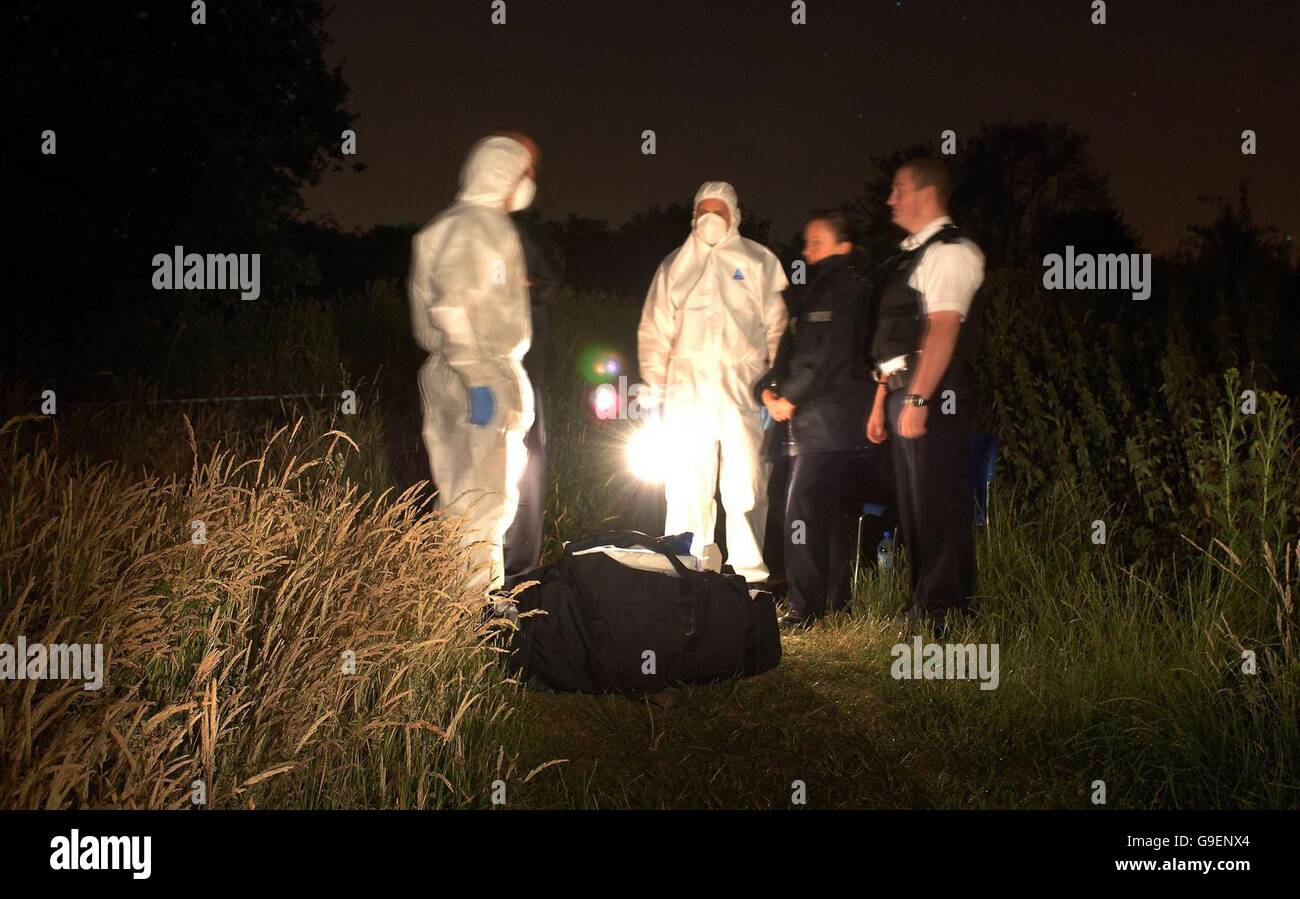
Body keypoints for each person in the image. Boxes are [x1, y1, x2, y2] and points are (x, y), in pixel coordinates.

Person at [637, 182, 789, 582]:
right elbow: (654, 329)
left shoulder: (758, 261)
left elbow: (777, 328)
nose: (708, 220)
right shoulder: (675, 265)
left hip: (744, 387)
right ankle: (686, 573)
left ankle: (749, 577)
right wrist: (653, 388)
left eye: (717, 212)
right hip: (686, 390)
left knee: (747, 485)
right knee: (687, 486)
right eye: (701, 212)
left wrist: (777, 386)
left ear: (733, 215)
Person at [408, 134, 539, 594]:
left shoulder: (456, 225)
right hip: (476, 372)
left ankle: (460, 608)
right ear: (504, 173)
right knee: (483, 501)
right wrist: (480, 378)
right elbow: (451, 307)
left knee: (463, 499)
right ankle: (476, 611)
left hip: (458, 372)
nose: (529, 184)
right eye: (526, 172)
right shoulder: (475, 227)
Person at [866, 157, 985, 636]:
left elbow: (942, 328)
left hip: (935, 392)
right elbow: (895, 337)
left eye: (898, 189)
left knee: (938, 499)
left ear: (926, 194)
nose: (890, 199)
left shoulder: (950, 251)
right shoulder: (908, 256)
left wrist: (918, 400)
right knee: (914, 504)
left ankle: (946, 610)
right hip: (904, 390)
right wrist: (882, 402)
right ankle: (925, 600)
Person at [755, 212, 891, 627]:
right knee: (825, 513)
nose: (806, 251)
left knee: (803, 513)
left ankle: (804, 609)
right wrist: (766, 386)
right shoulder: (816, 288)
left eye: (816, 242)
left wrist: (789, 399)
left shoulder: (849, 289)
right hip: (817, 421)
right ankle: (833, 604)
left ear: (842, 246)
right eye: (806, 242)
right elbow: (793, 351)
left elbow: (830, 356)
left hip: (830, 420)